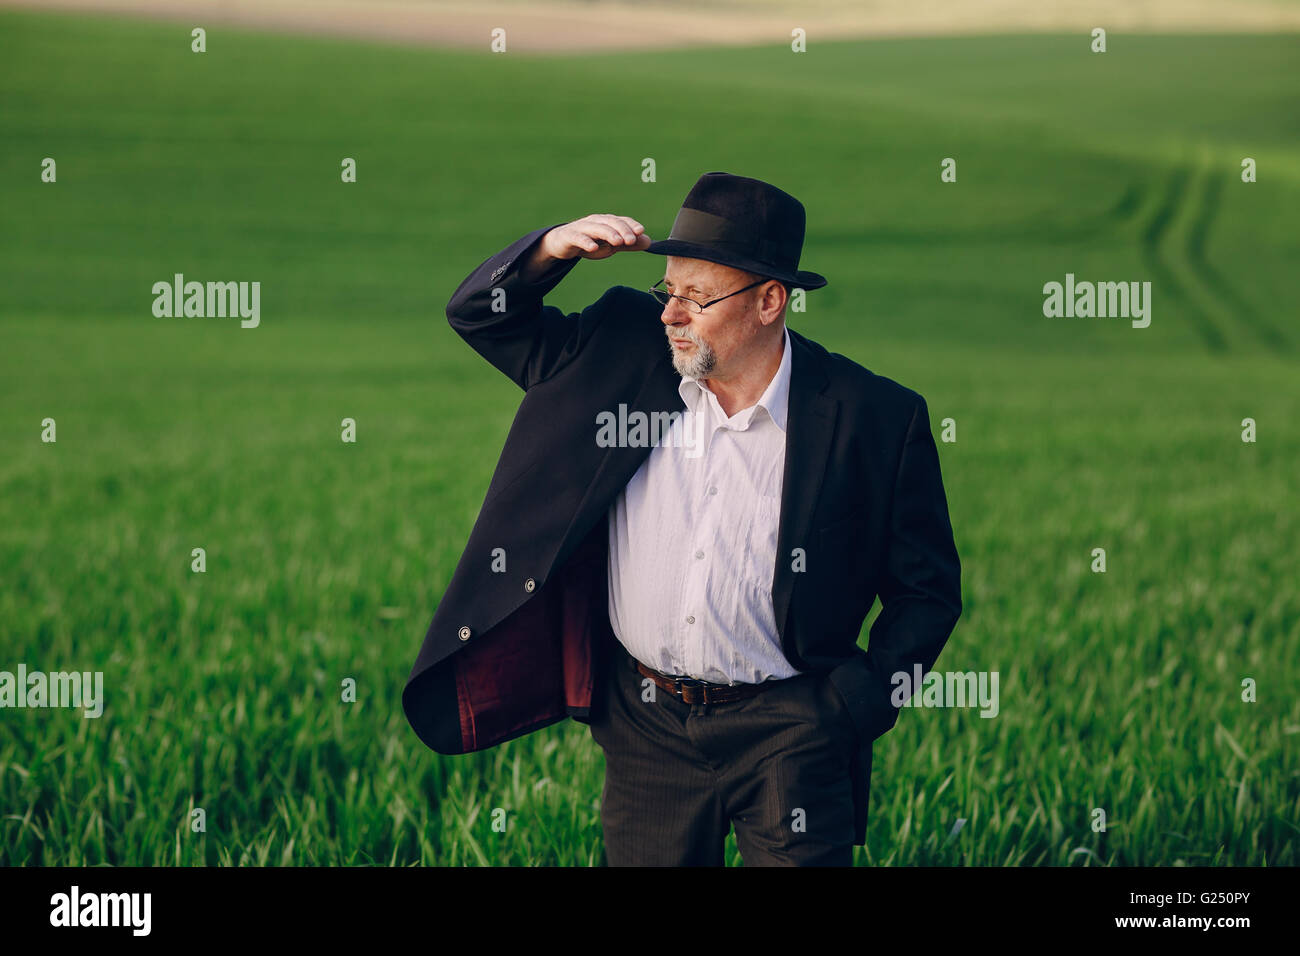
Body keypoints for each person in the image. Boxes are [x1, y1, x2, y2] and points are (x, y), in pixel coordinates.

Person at [402, 171, 962, 865]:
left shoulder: (871, 418)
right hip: (646, 727)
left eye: (697, 298)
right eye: (668, 291)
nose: (671, 314)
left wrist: (855, 705)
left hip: (795, 731)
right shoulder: (620, 353)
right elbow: (481, 316)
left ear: (769, 301)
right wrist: (550, 251)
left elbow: (926, 591)